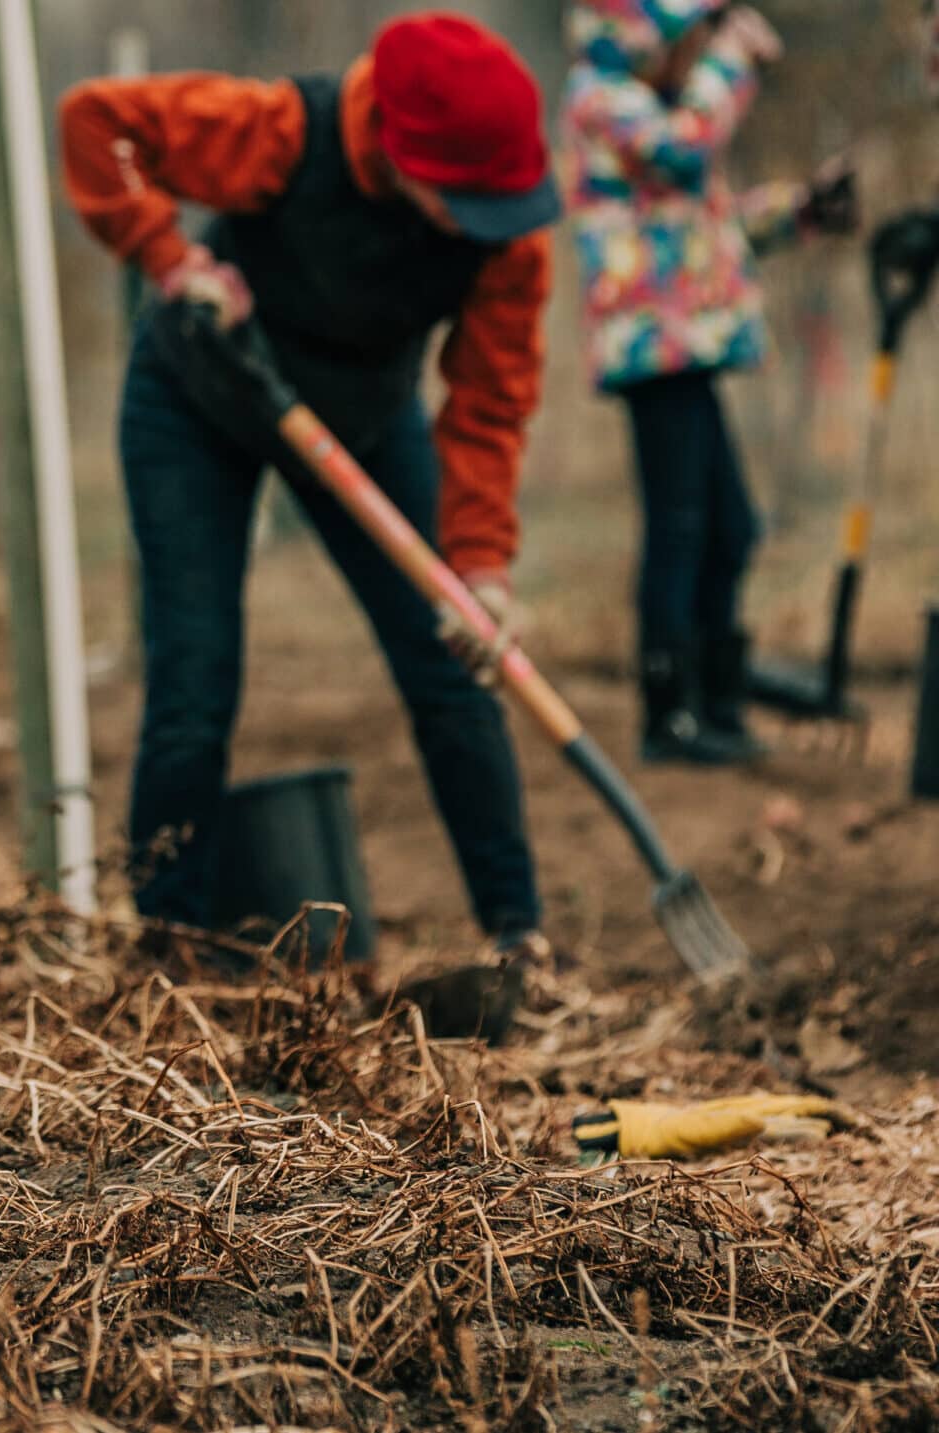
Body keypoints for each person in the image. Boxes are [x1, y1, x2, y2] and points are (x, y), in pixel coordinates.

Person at [58, 11, 562, 962]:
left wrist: (483, 565)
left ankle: (518, 936)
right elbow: (97, 120)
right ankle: (165, 954)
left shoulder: (508, 233)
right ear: (403, 155)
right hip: (199, 397)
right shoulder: (287, 133)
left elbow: (491, 403)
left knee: (451, 664)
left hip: (362, 421)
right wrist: (172, 263)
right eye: (466, 198)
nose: (484, 222)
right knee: (194, 680)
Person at [563, 0, 859, 764]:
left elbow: (708, 230)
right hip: (652, 353)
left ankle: (718, 699)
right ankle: (670, 712)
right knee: (681, 528)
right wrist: (735, 59)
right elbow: (687, 152)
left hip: (688, 347)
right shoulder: (603, 99)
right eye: (690, 40)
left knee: (729, 529)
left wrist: (803, 211)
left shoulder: (654, 110)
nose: (698, 56)